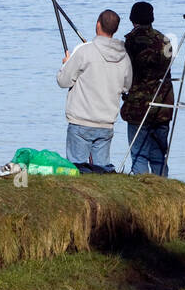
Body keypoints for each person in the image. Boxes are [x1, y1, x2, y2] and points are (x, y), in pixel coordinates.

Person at [57, 9, 133, 172]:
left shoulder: (84, 51)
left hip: (80, 122)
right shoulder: (124, 56)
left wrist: (66, 64)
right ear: (115, 29)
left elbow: (63, 81)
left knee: (76, 171)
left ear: (98, 25)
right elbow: (127, 86)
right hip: (106, 124)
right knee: (101, 173)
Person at [120, 1, 175, 175]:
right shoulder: (165, 40)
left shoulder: (131, 41)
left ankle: (144, 192)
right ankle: (164, 193)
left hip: (139, 106)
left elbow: (125, 72)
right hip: (163, 105)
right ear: (152, 18)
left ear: (132, 19)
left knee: (139, 155)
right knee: (159, 155)